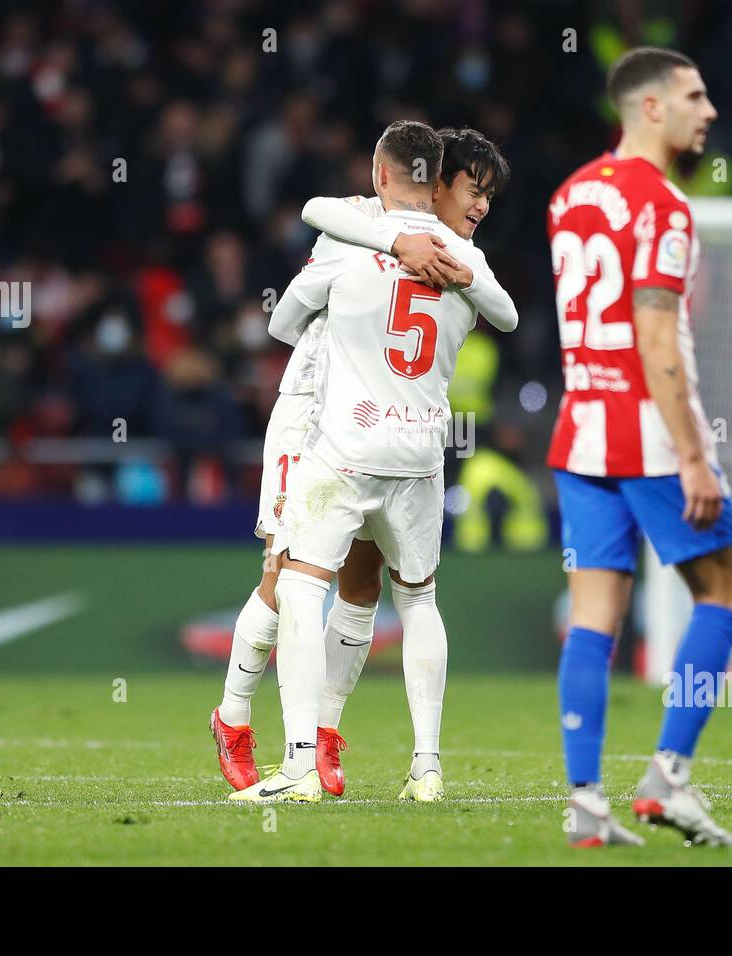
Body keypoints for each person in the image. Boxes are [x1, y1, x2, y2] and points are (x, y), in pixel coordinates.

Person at [210, 128, 513, 798]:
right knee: (280, 576)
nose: (481, 205)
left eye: (488, 195)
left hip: (378, 430)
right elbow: (314, 223)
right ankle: (233, 716)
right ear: (431, 185)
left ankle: (320, 736)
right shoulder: (358, 224)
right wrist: (396, 242)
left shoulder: (459, 255)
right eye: (472, 189)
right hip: (314, 411)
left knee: (362, 587)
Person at [547, 47, 732, 848]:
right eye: (696, 95)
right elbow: (657, 338)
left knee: (596, 619)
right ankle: (668, 777)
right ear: (652, 108)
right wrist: (695, 455)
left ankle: (585, 804)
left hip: (581, 428)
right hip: (650, 435)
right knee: (726, 594)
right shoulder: (663, 206)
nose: (711, 110)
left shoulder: (569, 194)